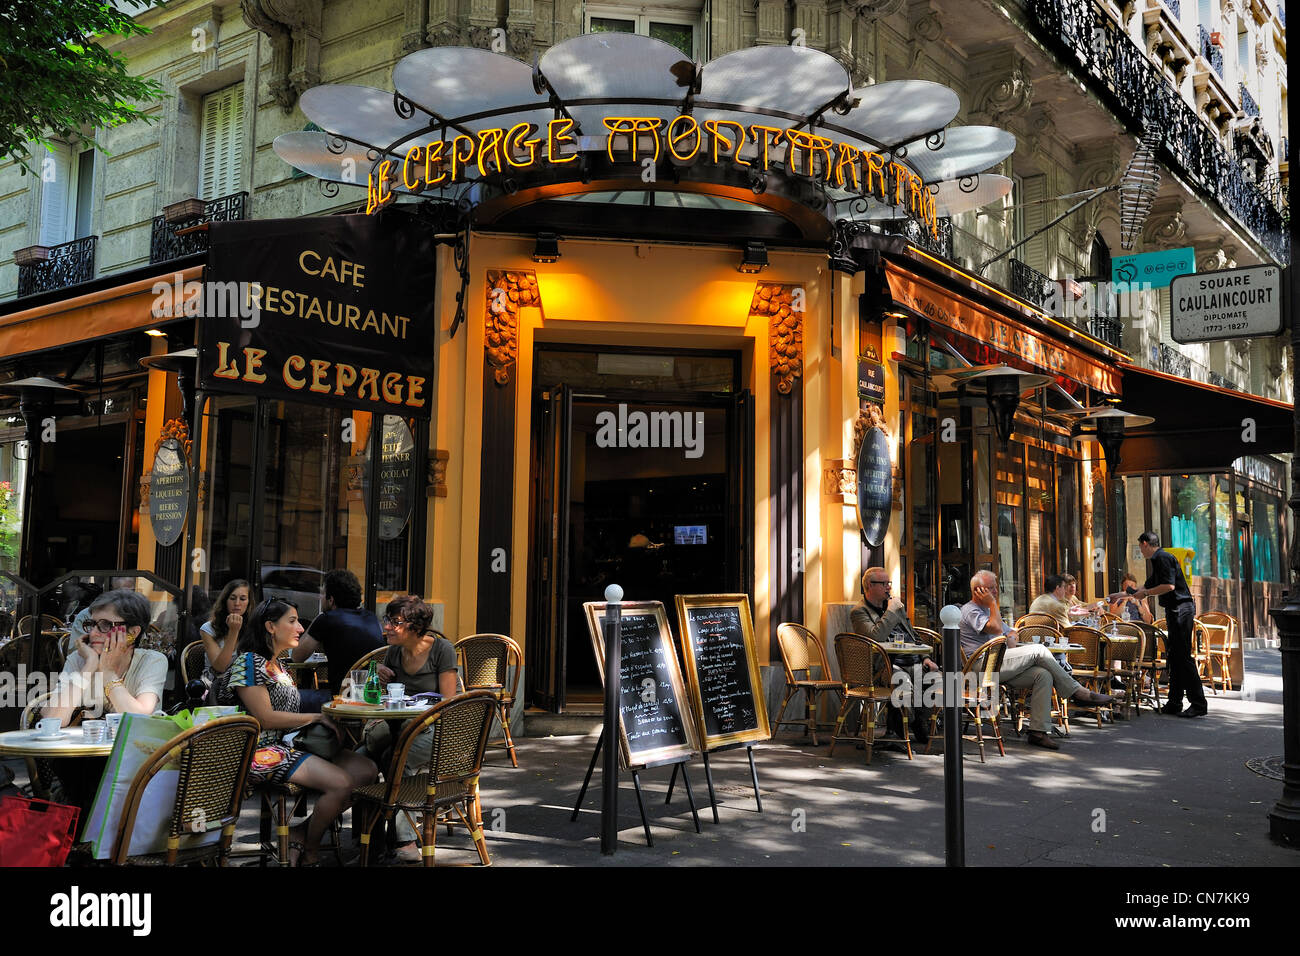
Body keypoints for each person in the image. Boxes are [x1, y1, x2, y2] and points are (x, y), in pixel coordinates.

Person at [214, 598, 377, 866]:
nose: (300, 628)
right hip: (258, 751)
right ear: (270, 626)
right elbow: (264, 718)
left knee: (366, 771)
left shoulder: (280, 665)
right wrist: (317, 716)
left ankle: (301, 833)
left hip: (289, 744)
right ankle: (310, 849)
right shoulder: (249, 663)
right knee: (341, 783)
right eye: (292, 621)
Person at [959, 571, 1114, 751]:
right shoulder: (971, 610)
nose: (996, 591)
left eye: (995, 587)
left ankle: (1038, 732)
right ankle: (1077, 693)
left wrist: (1010, 638)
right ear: (978, 590)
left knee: (1043, 675)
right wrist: (993, 604)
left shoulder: (988, 610)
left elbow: (1011, 632)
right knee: (1039, 650)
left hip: (998, 664)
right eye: (991, 588)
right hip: (979, 667)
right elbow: (995, 628)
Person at [360, 595, 458, 861]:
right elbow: (385, 698)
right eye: (387, 620)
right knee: (359, 759)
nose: (387, 627)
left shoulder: (442, 649)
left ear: (414, 626)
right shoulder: (394, 652)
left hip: (439, 730)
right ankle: (369, 836)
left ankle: (405, 840)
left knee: (395, 759)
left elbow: (448, 705)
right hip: (403, 727)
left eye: (395, 622)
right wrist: (378, 672)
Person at [45, 589, 168, 725]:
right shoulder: (79, 659)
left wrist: (108, 672)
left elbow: (138, 723)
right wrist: (89, 665)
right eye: (91, 625)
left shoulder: (152, 661)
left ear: (133, 632)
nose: (93, 633)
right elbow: (51, 721)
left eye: (106, 625)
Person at [850, 567, 936, 745]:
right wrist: (890, 612)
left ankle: (917, 719)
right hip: (885, 666)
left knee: (941, 681)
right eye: (884, 584)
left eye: (889, 583)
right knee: (902, 681)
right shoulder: (860, 612)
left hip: (912, 660)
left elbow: (914, 635)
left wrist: (925, 657)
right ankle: (906, 722)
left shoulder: (895, 608)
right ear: (869, 586)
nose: (889, 587)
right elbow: (874, 639)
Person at [1130, 532, 1207, 718]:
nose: (1140, 550)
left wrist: (1146, 593)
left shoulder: (1162, 558)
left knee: (1182, 656)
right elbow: (1147, 586)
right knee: (1175, 656)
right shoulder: (1159, 559)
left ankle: (1198, 704)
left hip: (1181, 608)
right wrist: (1123, 594)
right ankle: (1174, 702)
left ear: (1145, 543)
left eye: (1140, 546)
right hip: (1176, 609)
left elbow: (1168, 586)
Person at [292, 569, 383, 694]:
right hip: (373, 695)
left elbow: (296, 657)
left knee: (295, 697)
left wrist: (317, 621)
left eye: (323, 593)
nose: (320, 597)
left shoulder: (327, 619)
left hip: (342, 696)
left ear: (331, 599)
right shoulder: (371, 617)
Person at [197, 579, 249, 693]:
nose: (237, 603)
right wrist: (234, 632)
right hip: (216, 685)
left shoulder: (253, 627)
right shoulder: (208, 628)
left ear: (249, 602)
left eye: (243, 599)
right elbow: (220, 667)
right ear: (225, 600)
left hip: (246, 683)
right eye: (232, 598)